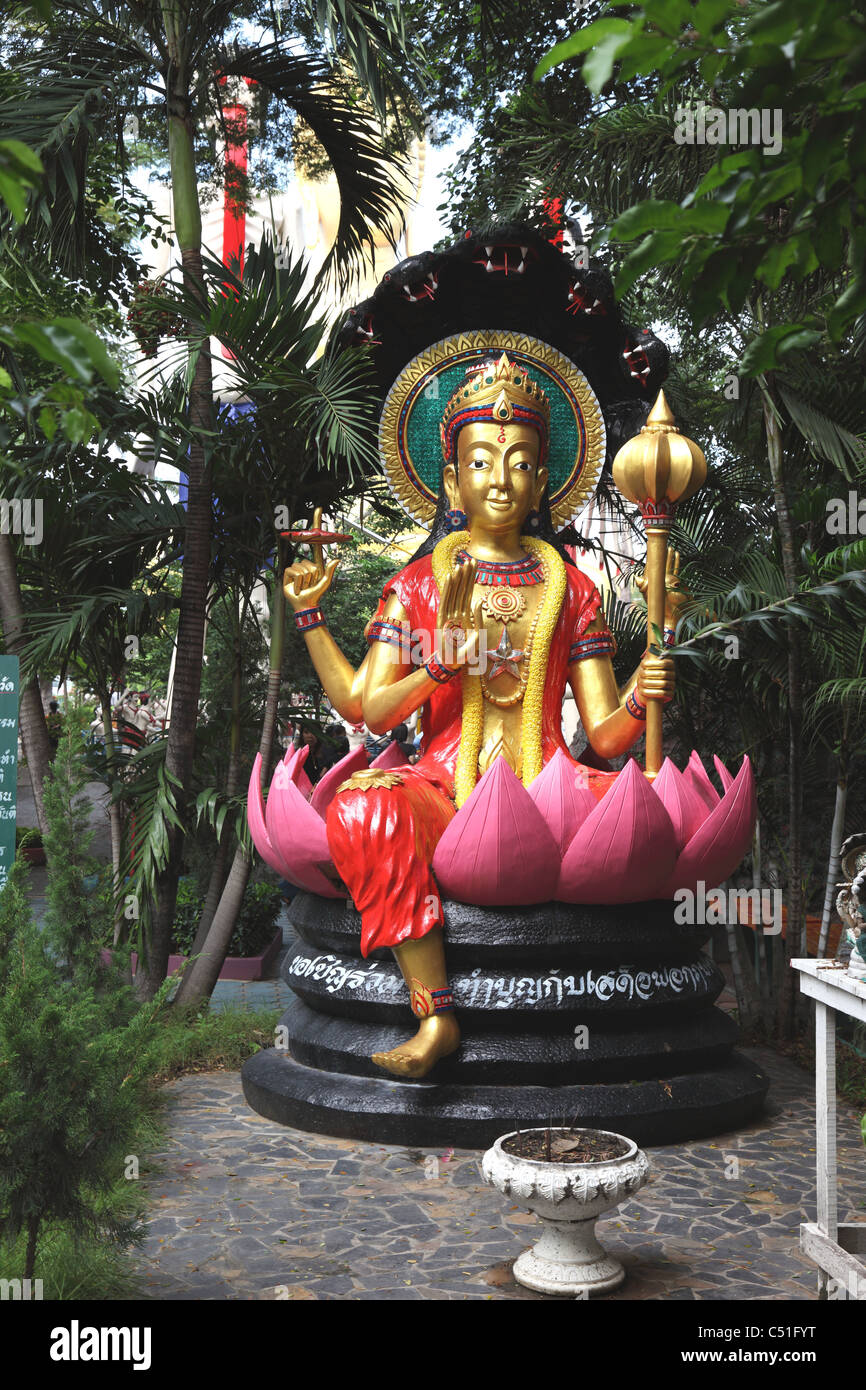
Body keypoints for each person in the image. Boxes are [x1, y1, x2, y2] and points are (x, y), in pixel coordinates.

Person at [281, 343, 681, 1078]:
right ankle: (436, 1015)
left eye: (522, 462)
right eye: (483, 461)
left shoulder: (572, 587)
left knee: (660, 804)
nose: (502, 480)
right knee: (364, 807)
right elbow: (366, 710)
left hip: (551, 794)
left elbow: (607, 736)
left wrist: (642, 691)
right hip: (444, 791)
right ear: (451, 479)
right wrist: (346, 634)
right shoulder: (420, 585)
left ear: (544, 485)